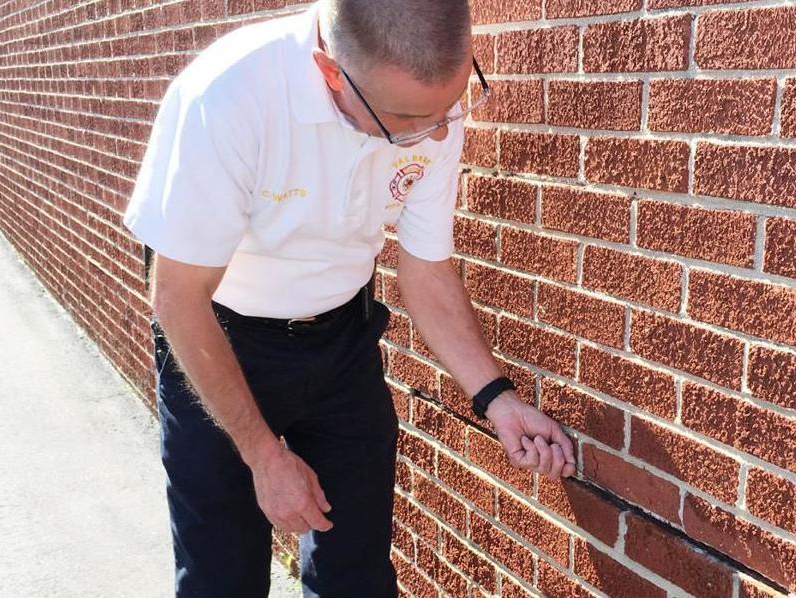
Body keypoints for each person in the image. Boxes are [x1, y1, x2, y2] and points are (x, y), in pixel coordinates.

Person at [120, 0, 577, 596]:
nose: (438, 133)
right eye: (407, 120)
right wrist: (262, 455)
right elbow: (178, 298)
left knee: (356, 575)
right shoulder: (228, 96)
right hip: (217, 340)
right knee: (220, 576)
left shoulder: (428, 100)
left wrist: (495, 399)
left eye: (452, 106)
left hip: (342, 344)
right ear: (330, 72)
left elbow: (429, 269)